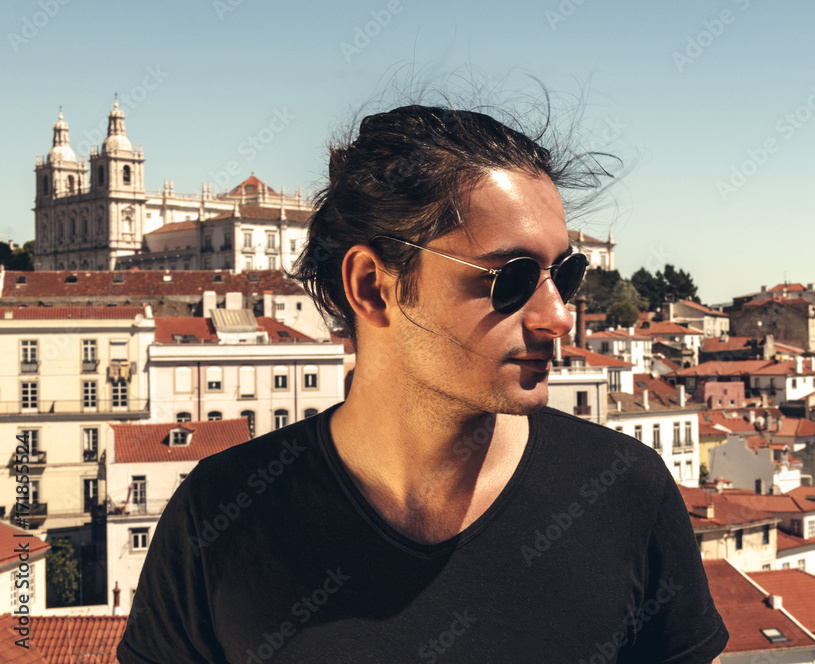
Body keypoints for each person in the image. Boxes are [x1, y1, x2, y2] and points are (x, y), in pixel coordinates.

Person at [118, 104, 728, 662]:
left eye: (563, 275)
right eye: (511, 278)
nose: (559, 317)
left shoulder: (626, 493)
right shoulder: (219, 516)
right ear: (371, 286)